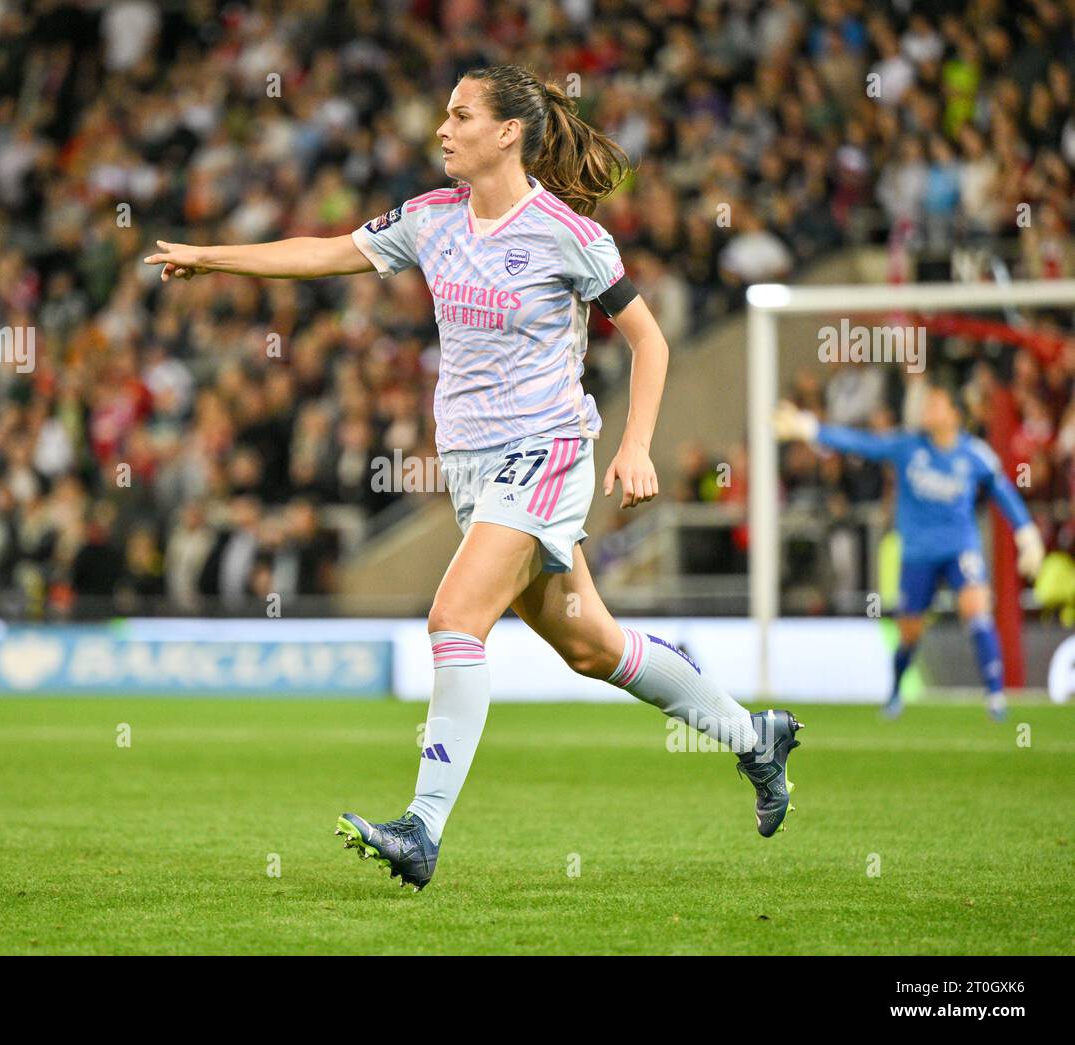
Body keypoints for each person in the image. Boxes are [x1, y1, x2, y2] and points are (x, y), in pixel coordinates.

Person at [146, 66, 802, 893]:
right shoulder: (431, 219)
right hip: (474, 470)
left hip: (549, 451)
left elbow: (651, 340)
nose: (442, 129)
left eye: (460, 115)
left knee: (454, 618)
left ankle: (421, 828)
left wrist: (635, 446)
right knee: (593, 646)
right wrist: (215, 257)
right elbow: (325, 250)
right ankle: (755, 738)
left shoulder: (567, 234)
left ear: (508, 134)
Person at [774, 385, 1044, 721]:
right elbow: (863, 444)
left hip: (961, 547)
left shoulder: (975, 454)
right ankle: (895, 691)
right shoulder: (908, 446)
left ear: (954, 414)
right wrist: (811, 428)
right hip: (918, 553)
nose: (927, 409)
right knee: (910, 632)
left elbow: (1002, 491)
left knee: (976, 609)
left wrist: (1026, 532)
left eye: (936, 403)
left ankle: (995, 696)